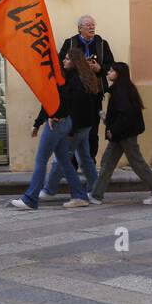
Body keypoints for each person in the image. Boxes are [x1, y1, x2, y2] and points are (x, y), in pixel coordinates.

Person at [9, 73, 89, 211]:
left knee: (41, 160)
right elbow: (55, 103)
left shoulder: (56, 79)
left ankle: (30, 199)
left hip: (56, 124)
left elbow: (51, 103)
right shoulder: (68, 79)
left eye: (68, 59)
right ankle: (80, 196)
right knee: (64, 161)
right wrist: (41, 121)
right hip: (65, 121)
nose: (65, 60)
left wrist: (52, 116)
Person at [93, 62, 152, 204]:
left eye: (111, 71)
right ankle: (96, 195)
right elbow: (122, 114)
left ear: (118, 74)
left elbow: (125, 115)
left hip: (125, 134)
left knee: (137, 163)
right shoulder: (121, 89)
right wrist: (107, 120)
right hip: (121, 134)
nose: (108, 73)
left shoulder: (120, 91)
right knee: (107, 162)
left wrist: (112, 130)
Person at [40, 50, 101, 202]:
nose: (64, 61)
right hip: (86, 125)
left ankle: (49, 190)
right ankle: (95, 190)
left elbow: (76, 108)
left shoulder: (75, 81)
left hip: (77, 126)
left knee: (61, 158)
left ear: (74, 62)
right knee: (85, 158)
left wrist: (70, 130)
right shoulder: (85, 78)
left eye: (67, 59)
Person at [58, 15, 114, 159]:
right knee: (73, 128)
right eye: (88, 25)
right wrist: (78, 67)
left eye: (93, 25)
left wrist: (99, 68)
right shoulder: (70, 43)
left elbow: (111, 66)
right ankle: (73, 164)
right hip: (74, 93)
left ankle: (90, 160)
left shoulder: (102, 44)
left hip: (94, 94)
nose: (91, 27)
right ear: (79, 28)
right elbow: (60, 65)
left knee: (92, 129)